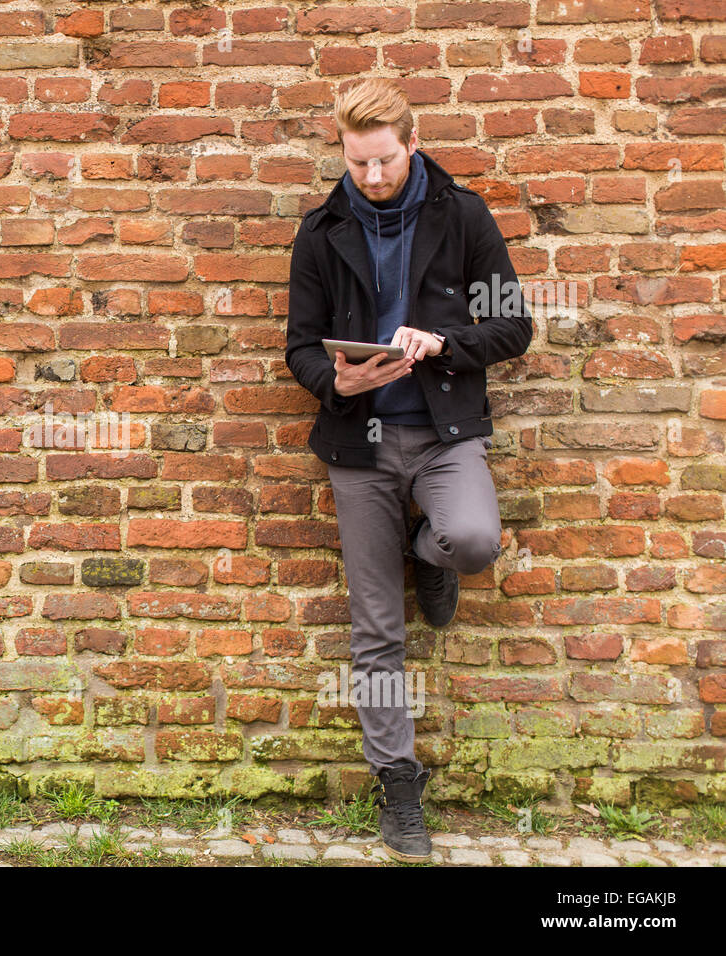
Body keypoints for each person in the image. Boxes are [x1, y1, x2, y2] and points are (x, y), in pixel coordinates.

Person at [284, 77, 534, 863]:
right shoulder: (321, 231)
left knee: (472, 539)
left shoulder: (462, 216)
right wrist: (337, 381)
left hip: (446, 434)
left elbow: (514, 324)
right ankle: (397, 784)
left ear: (411, 145)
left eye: (385, 161)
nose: (372, 178)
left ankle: (430, 559)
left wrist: (444, 341)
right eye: (358, 164)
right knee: (375, 632)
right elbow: (298, 345)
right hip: (358, 447)